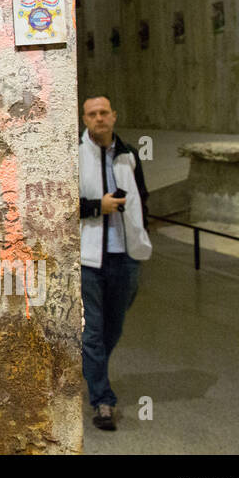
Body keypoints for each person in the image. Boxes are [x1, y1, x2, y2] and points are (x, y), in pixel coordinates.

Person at [78, 96, 151, 431]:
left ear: (114, 116)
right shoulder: (74, 154)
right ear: (84, 119)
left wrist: (142, 234)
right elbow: (61, 202)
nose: (99, 119)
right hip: (90, 258)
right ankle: (102, 400)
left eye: (104, 113)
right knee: (92, 331)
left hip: (125, 256)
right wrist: (97, 206)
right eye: (92, 114)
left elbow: (142, 198)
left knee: (113, 327)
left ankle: (93, 372)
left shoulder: (129, 154)